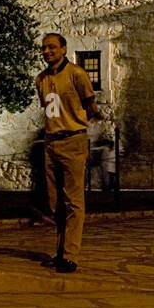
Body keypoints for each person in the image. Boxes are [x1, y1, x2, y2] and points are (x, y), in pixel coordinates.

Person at [36, 33, 99, 273]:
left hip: (72, 140)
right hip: (51, 143)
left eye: (52, 47)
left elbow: (91, 107)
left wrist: (77, 127)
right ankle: (60, 250)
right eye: (43, 48)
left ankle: (70, 254)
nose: (47, 51)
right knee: (55, 203)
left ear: (63, 49)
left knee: (74, 201)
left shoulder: (77, 74)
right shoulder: (40, 79)